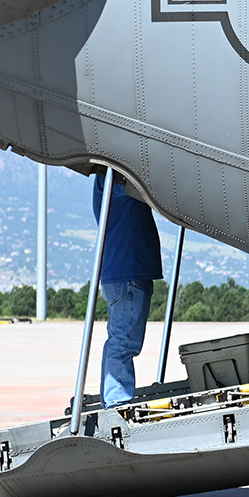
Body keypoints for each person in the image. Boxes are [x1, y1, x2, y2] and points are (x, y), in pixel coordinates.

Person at [90, 170, 164, 406]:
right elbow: (143, 186)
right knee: (123, 343)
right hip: (129, 272)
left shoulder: (108, 186)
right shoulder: (113, 181)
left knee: (118, 340)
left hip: (126, 272)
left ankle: (112, 398)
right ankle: (117, 401)